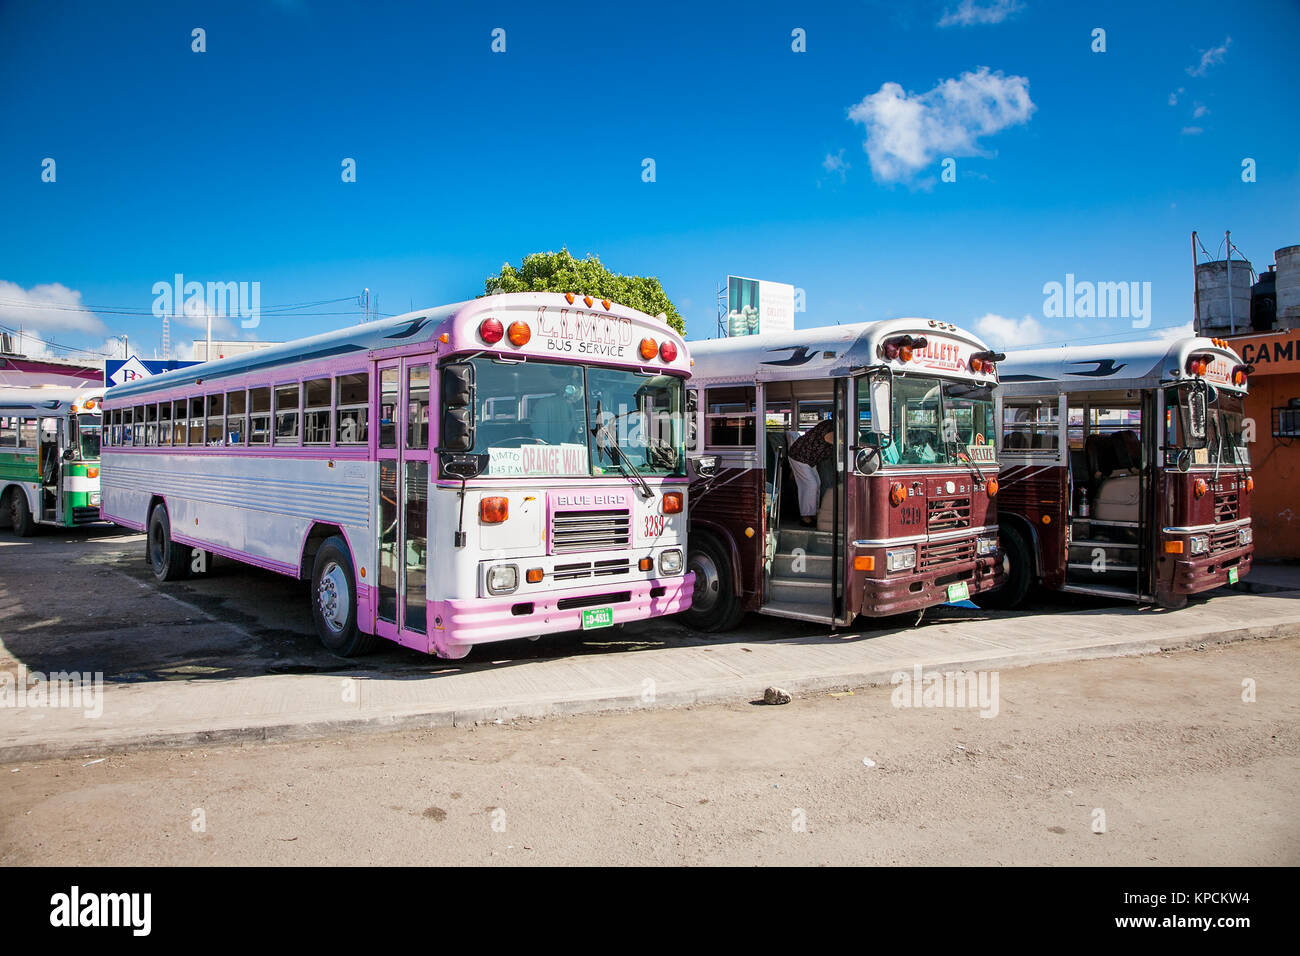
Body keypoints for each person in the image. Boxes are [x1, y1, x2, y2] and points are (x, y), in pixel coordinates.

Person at [787, 415, 834, 526]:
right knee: (810, 485)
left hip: (809, 458)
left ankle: (813, 512)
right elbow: (831, 439)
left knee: (817, 483)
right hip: (800, 456)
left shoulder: (832, 425)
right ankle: (805, 517)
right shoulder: (831, 428)